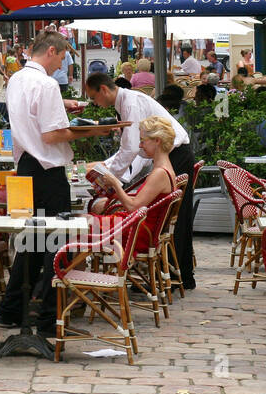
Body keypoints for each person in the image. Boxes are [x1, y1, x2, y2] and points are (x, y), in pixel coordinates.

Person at [0, 31, 114, 331]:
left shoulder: (17, 79)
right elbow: (52, 135)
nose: (61, 65)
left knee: (32, 241)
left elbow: (33, 109)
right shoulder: (46, 83)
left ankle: (10, 309)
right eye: (61, 58)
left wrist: (64, 103)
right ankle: (49, 317)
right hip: (47, 171)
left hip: (26, 166)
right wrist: (94, 130)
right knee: (55, 242)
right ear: (51, 51)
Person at [83, 73, 197, 288]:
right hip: (171, 154)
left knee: (175, 219)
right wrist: (111, 175)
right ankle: (177, 275)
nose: (95, 103)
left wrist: (111, 180)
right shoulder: (126, 103)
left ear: (103, 90)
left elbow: (131, 149)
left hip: (176, 153)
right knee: (174, 219)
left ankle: (178, 276)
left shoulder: (130, 103)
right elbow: (135, 149)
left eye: (93, 97)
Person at [88, 117, 180, 256]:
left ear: (157, 141)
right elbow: (139, 204)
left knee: (78, 224)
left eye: (143, 140)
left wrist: (115, 183)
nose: (140, 145)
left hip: (136, 232)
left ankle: (73, 266)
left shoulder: (160, 173)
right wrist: (113, 191)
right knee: (81, 223)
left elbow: (133, 207)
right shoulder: (164, 169)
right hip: (138, 228)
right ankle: (86, 264)